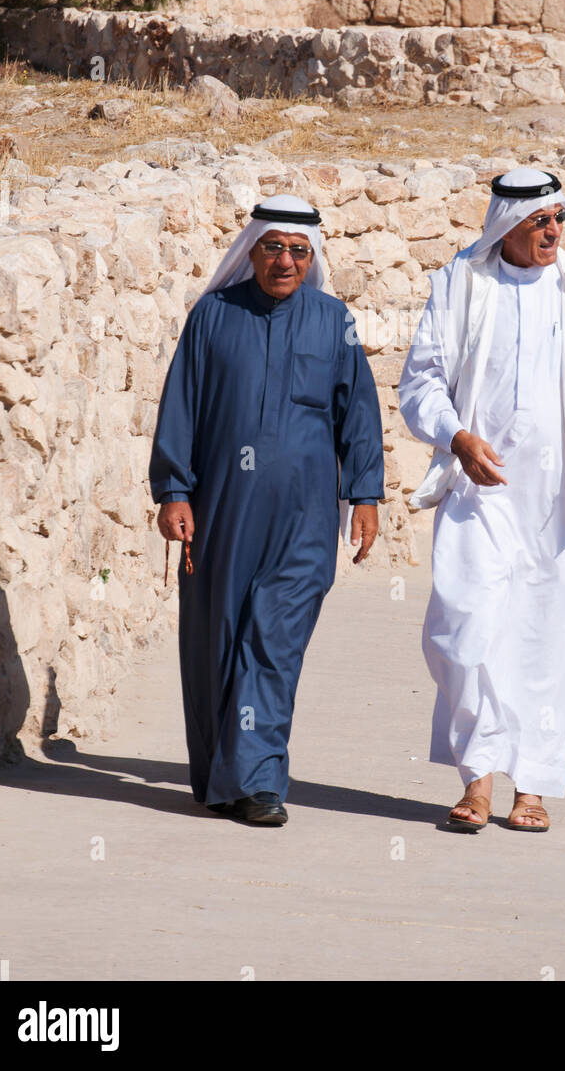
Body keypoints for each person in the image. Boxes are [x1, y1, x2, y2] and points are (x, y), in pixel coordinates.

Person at [398, 167, 565, 833]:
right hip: (477, 491)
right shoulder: (458, 285)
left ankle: (529, 786)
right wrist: (456, 437)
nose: (553, 231)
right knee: (462, 623)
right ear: (507, 224)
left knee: (544, 636)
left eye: (559, 218)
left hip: (558, 503)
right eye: (540, 221)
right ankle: (474, 778)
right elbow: (419, 385)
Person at [149, 195, 384, 826]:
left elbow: (358, 412)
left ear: (313, 257)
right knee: (215, 638)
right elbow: (182, 405)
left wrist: (364, 494)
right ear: (251, 250)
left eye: (298, 250)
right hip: (222, 507)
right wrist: (174, 490)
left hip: (305, 514)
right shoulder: (212, 316)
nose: (285, 260)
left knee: (275, 640)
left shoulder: (334, 321)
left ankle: (256, 783)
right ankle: (222, 777)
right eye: (274, 247)